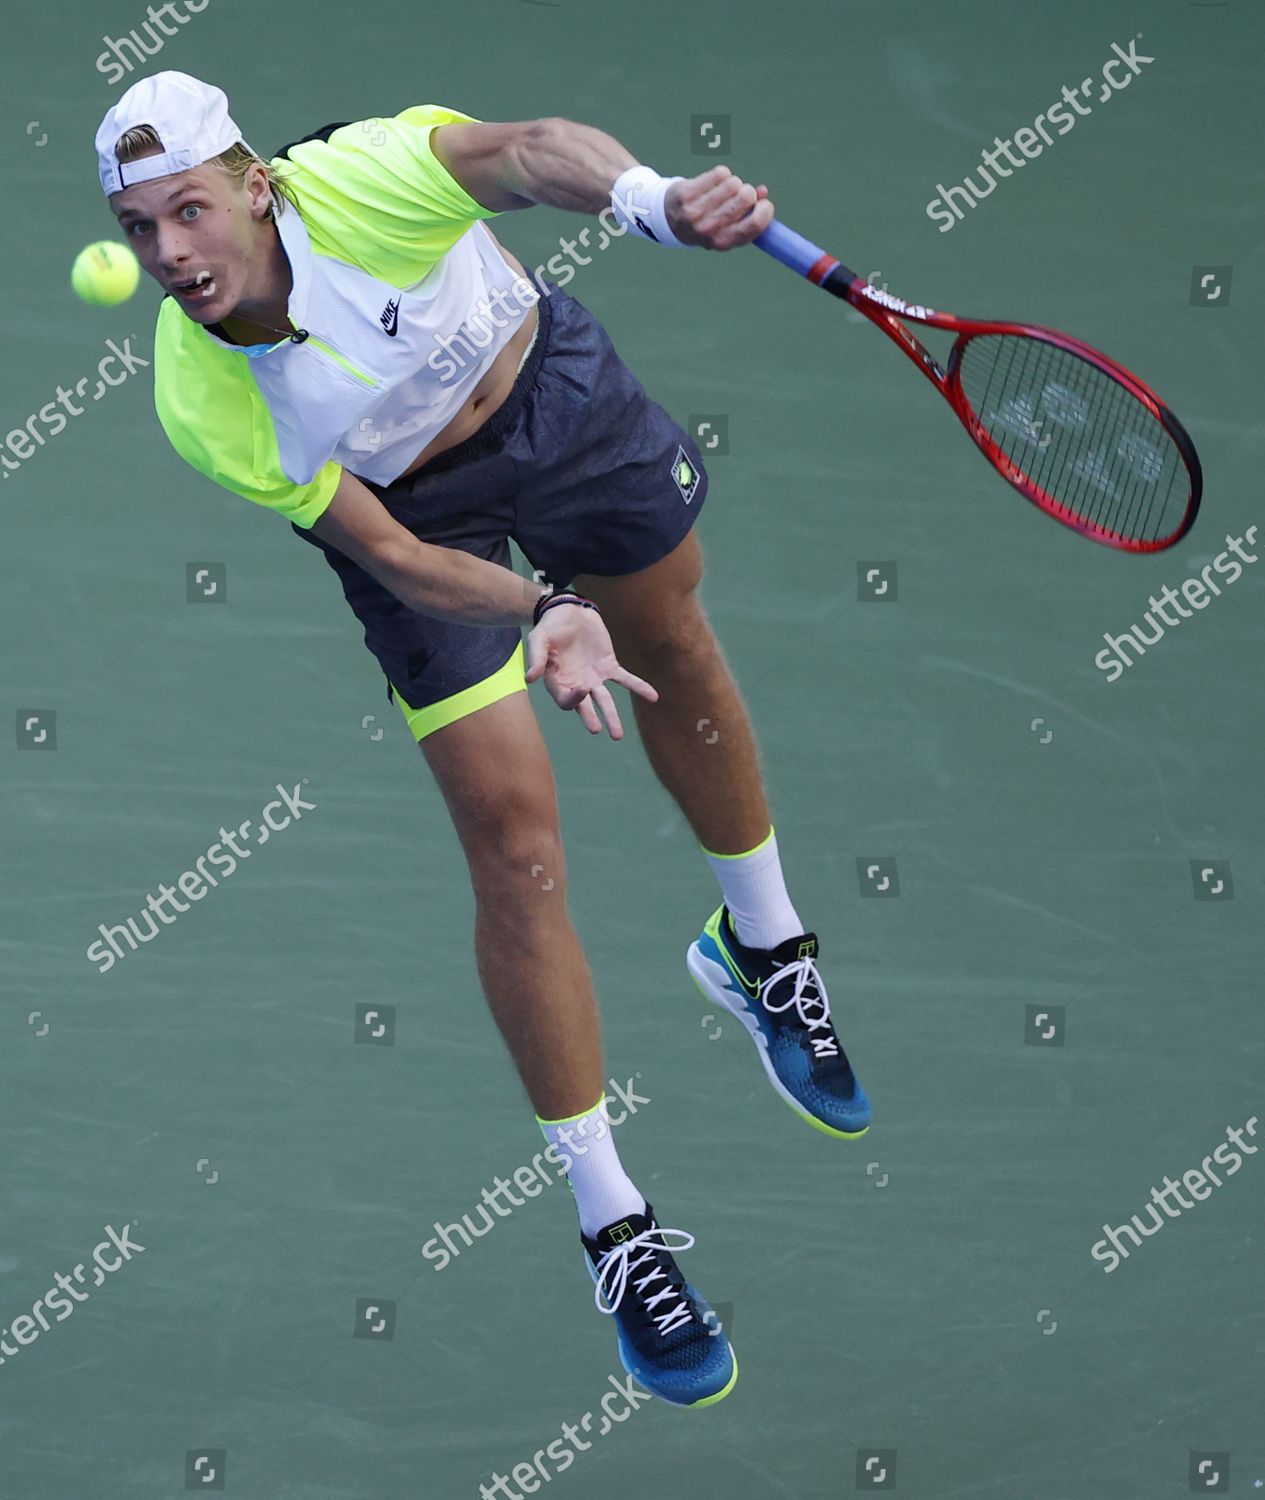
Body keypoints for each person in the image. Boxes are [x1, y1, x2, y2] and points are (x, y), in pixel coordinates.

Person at [94, 69, 871, 1409]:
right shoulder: (202, 398)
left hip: (549, 400)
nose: (170, 253)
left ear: (256, 186)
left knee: (674, 646)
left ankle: (761, 945)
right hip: (421, 527)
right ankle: (613, 1224)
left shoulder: (359, 181)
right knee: (514, 850)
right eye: (140, 227)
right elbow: (393, 553)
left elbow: (527, 150)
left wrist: (647, 203)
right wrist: (545, 610)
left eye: (191, 211)